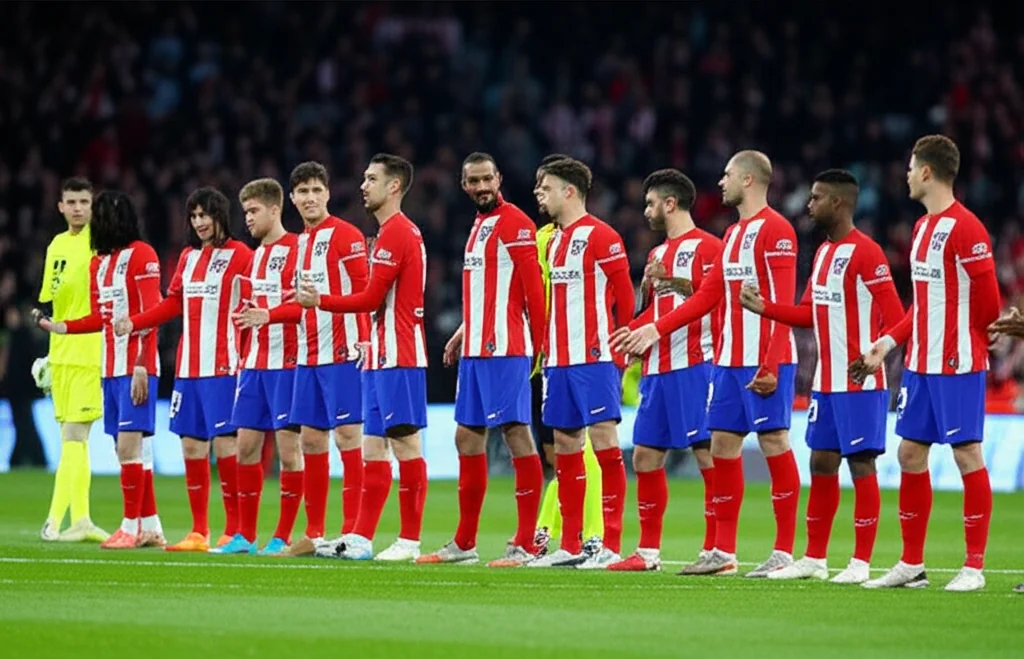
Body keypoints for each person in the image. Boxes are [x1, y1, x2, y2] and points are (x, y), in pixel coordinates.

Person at [613, 150, 802, 578]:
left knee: (773, 442)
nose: (720, 182)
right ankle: (722, 552)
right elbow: (706, 296)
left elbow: (783, 301)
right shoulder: (732, 235)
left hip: (755, 358)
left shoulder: (777, 229)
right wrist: (648, 329)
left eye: (727, 175)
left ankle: (784, 552)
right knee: (720, 448)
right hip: (727, 363)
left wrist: (772, 363)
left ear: (748, 180)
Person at [738, 169, 904, 583]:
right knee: (821, 463)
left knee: (861, 464)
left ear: (838, 203)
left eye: (815, 198)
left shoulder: (867, 253)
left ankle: (861, 562)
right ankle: (814, 558)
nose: (808, 205)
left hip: (859, 382)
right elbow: (808, 313)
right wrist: (765, 308)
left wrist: (878, 353)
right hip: (825, 384)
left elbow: (898, 317)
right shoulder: (825, 254)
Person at [851, 135, 998, 591]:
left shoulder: (967, 228)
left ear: (928, 172)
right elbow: (922, 302)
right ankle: (911, 565)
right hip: (920, 363)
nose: (907, 175)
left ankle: (973, 567)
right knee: (910, 453)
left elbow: (990, 303)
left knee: (966, 453)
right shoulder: (921, 229)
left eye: (912, 168)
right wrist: (888, 342)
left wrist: (970, 338)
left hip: (957, 362)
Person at [418, 152, 546, 567]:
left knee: (516, 434)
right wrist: (463, 331)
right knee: (466, 439)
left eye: (487, 179)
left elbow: (533, 290)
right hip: (475, 348)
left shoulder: (517, 223)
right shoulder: (478, 226)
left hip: (505, 348)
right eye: (474, 181)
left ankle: (525, 543)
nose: (482, 187)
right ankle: (465, 543)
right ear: (464, 185)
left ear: (499, 178)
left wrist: (542, 344)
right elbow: (486, 291)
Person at [240, 162, 370, 557]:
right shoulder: (299, 245)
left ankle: (353, 534)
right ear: (293, 199)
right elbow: (301, 305)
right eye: (302, 192)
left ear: (327, 193)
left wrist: (365, 340)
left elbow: (366, 292)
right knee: (311, 441)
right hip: (307, 355)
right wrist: (268, 315)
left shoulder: (346, 236)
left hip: (343, 352)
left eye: (316, 190)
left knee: (348, 438)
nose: (310, 198)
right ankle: (314, 534)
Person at [305, 153, 428, 562]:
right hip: (378, 356)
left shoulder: (398, 233)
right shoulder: (385, 234)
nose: (363, 185)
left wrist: (320, 300)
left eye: (372, 179)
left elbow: (371, 298)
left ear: (394, 187)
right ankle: (360, 537)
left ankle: (409, 540)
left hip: (400, 355)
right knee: (373, 449)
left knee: (406, 445)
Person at [115, 188, 250, 552]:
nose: (199, 222)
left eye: (205, 215)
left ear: (220, 216)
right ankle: (198, 532)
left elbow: (256, 301)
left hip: (223, 366)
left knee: (226, 444)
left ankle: (234, 530)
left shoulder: (241, 255)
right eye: (194, 216)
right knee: (191, 445)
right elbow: (172, 303)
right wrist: (137, 321)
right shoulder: (188, 257)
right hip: (188, 369)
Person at [35, 191, 166, 549]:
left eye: (102, 215)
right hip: (109, 368)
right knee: (132, 448)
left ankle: (129, 527)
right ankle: (150, 527)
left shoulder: (143, 254)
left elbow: (152, 314)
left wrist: (142, 365)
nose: (97, 221)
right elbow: (99, 318)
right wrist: (62, 327)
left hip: (136, 367)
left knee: (129, 448)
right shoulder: (100, 264)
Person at [607, 169, 722, 572]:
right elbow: (655, 310)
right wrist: (626, 336)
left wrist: (654, 324)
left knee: (707, 455)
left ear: (670, 203)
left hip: (696, 364)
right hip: (657, 369)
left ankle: (717, 549)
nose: (646, 211)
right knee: (644, 456)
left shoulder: (710, 248)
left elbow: (712, 299)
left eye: (651, 203)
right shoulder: (656, 255)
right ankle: (648, 552)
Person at [527, 157, 635, 569]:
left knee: (605, 443)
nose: (539, 195)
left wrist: (620, 352)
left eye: (546, 188)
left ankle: (609, 543)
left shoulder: (602, 236)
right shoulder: (553, 241)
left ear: (569, 191)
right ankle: (570, 544)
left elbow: (625, 296)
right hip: (557, 362)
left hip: (594, 358)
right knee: (565, 448)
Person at [222, 179, 304, 555]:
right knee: (245, 448)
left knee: (288, 452)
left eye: (254, 211)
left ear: (275, 209)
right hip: (254, 364)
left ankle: (282, 535)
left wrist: (267, 315)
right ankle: (244, 535)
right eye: (246, 212)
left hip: (287, 364)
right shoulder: (254, 257)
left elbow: (305, 306)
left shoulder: (297, 249)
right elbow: (251, 311)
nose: (249, 219)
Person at [530, 154, 605, 556]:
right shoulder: (543, 238)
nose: (538, 193)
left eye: (545, 186)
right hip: (543, 360)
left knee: (581, 446)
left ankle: (588, 536)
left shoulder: (590, 237)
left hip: (579, 355)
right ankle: (555, 532)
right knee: (556, 453)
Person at [35, 177, 108, 543]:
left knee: (74, 436)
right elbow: (51, 302)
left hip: (90, 352)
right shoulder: (56, 246)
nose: (78, 208)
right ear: (60, 207)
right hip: (61, 354)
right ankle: (82, 519)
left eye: (84, 202)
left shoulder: (102, 244)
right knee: (76, 441)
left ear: (93, 206)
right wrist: (49, 355)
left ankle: (53, 520)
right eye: (72, 202)